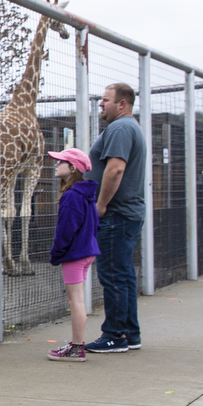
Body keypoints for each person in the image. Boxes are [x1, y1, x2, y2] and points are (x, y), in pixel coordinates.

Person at [86, 83, 147, 354]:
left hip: (116, 214)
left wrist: (100, 205)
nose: (101, 104)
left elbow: (115, 169)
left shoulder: (120, 128)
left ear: (122, 104)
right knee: (123, 275)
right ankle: (130, 333)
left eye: (106, 100)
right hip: (126, 214)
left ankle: (115, 335)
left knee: (113, 276)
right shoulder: (128, 127)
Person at [46, 149, 99, 361]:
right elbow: (96, 224)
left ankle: (77, 347)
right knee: (79, 299)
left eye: (61, 161)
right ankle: (77, 344)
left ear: (73, 167)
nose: (56, 164)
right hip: (87, 251)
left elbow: (65, 230)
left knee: (75, 300)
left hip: (75, 254)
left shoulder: (71, 196)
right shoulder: (86, 194)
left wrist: (56, 253)